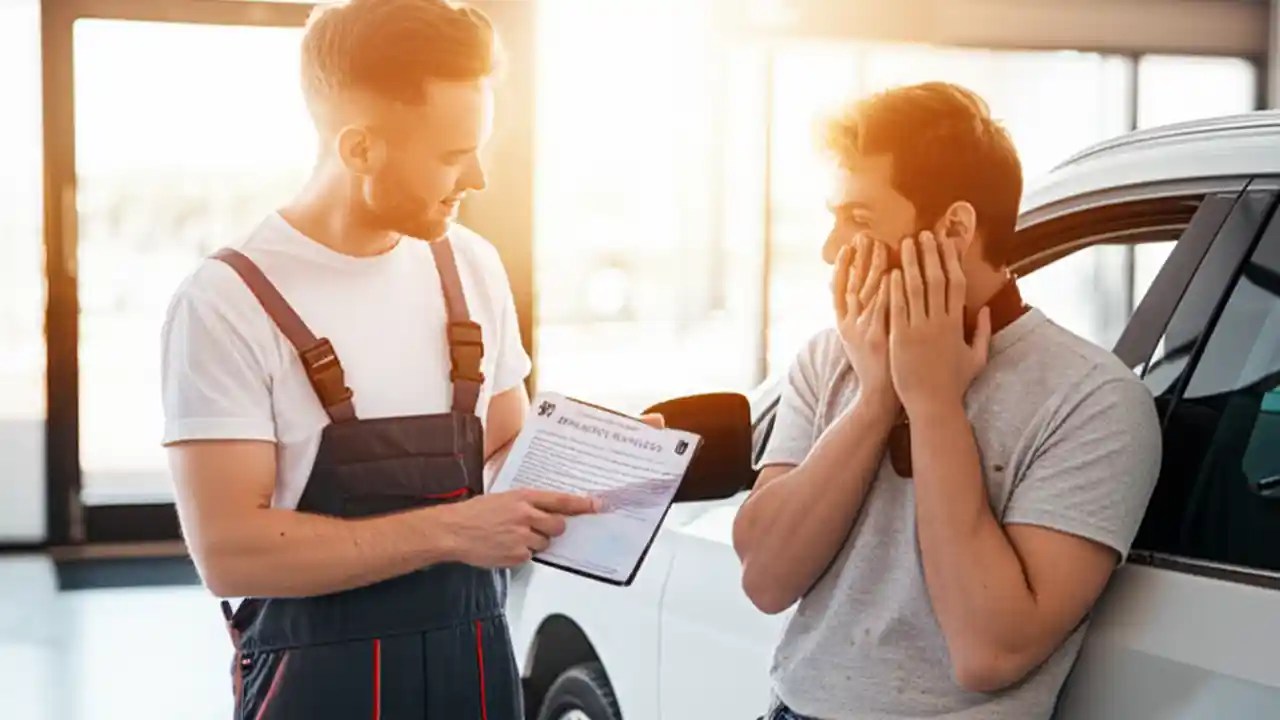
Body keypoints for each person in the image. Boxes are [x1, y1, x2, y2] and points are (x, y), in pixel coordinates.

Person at [159, 1, 622, 717]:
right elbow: (231, 552)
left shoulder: (471, 266)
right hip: (315, 687)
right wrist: (454, 531)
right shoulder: (227, 302)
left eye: (479, 148)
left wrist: (594, 456)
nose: (477, 179)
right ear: (359, 150)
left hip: (478, 668)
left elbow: (502, 448)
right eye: (450, 154)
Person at [731, 82, 1162, 719]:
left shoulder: (1092, 399)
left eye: (860, 220)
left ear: (955, 226)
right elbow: (765, 578)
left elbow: (988, 650)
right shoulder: (831, 357)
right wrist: (877, 396)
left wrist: (932, 404)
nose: (831, 251)